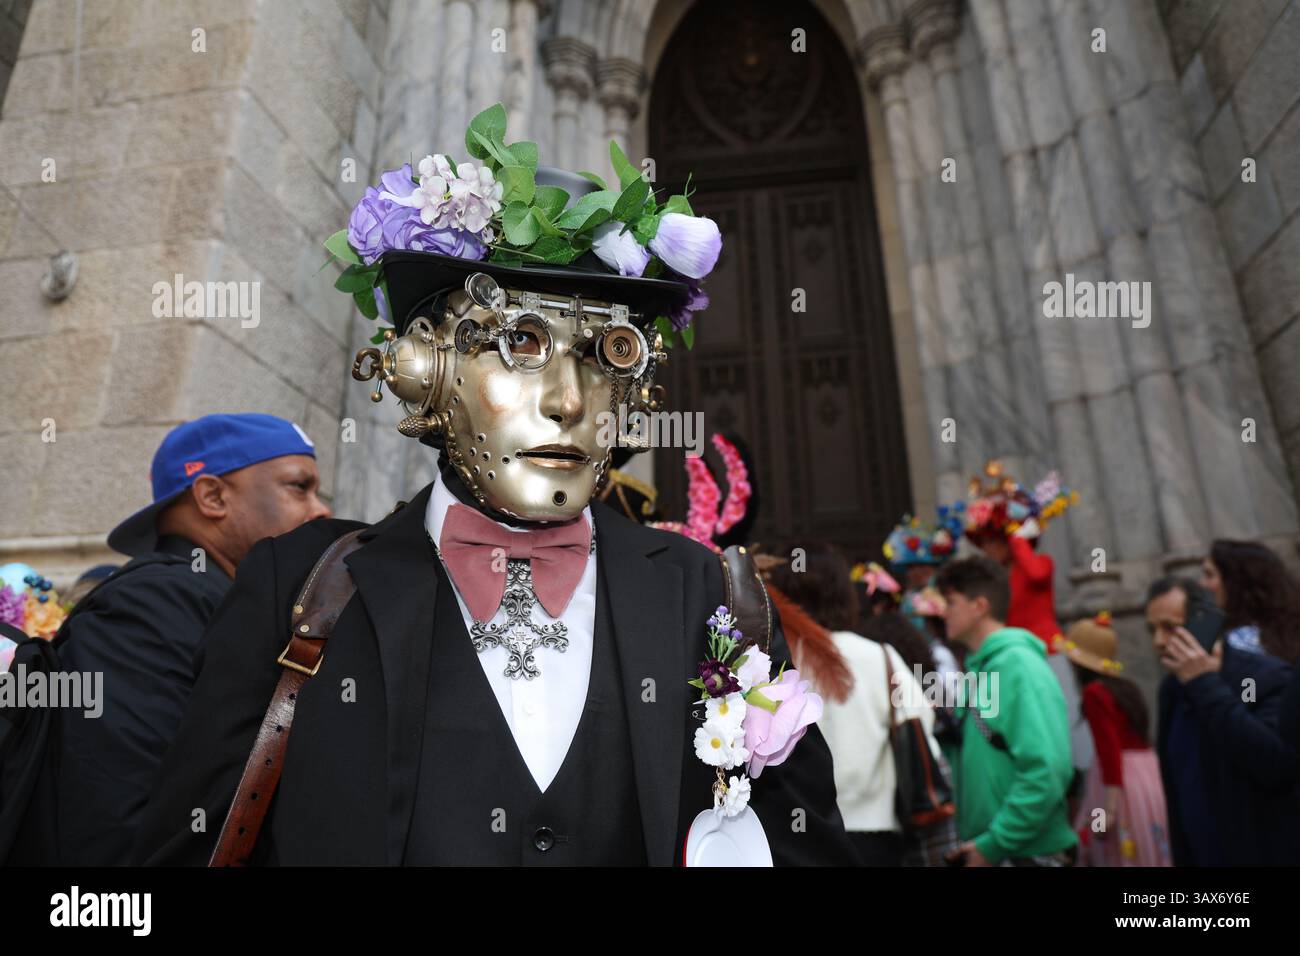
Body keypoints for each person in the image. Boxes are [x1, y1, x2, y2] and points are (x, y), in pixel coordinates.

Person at [134, 108, 855, 867]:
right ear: (426, 369)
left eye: (607, 353)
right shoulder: (301, 590)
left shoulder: (708, 595)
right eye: (522, 342)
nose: (569, 402)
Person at [11, 413, 329, 866]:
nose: (320, 509)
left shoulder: (219, 600)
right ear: (213, 496)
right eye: (299, 487)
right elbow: (114, 822)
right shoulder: (153, 602)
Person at [763, 540, 946, 867]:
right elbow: (922, 731)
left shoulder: (766, 662)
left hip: (792, 835)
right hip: (873, 835)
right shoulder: (879, 657)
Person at [1149, 559, 1300, 866]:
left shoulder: (1259, 676)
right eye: (1152, 629)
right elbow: (1176, 793)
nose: (1159, 642)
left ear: (1203, 624)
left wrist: (1205, 684)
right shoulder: (1171, 691)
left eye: (1170, 628)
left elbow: (1273, 763)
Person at [960, 461, 1093, 802]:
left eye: (994, 539)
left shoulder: (1038, 563)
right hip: (1012, 658)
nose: (988, 548)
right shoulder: (998, 578)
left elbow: (1035, 574)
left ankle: (1075, 786)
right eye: (986, 540)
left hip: (1047, 652)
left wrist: (1015, 533)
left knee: (1065, 719)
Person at [936, 556, 1077, 867]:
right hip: (995, 851)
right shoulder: (978, 669)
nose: (943, 612)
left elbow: (1047, 768)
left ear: (979, 606)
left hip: (1025, 854)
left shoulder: (1018, 665)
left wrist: (995, 842)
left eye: (951, 602)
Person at [1063, 612, 1170, 866]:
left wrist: (1109, 811)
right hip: (1147, 776)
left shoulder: (1094, 693)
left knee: (1119, 850)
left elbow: (1109, 750)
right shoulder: (1125, 688)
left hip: (1118, 784)